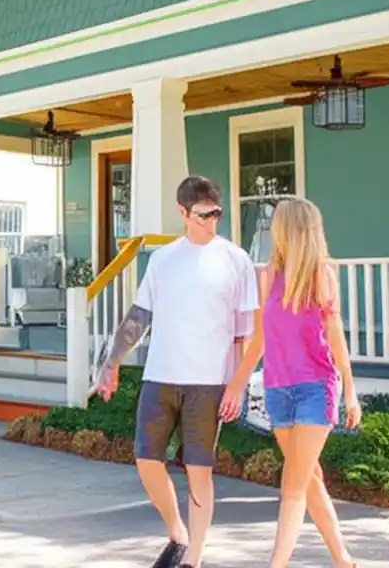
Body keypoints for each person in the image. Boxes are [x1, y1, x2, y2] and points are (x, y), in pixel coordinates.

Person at [96, 175, 258, 568]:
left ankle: (194, 560)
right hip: (161, 376)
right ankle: (177, 532)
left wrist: (239, 384)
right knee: (146, 460)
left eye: (216, 214)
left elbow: (248, 334)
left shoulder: (235, 260)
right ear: (183, 213)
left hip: (208, 383)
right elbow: (139, 317)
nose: (210, 222)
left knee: (199, 472)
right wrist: (111, 361)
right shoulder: (164, 259)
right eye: (202, 215)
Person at [220, 197, 361, 568]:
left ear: (290, 230)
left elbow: (335, 335)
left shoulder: (320, 275)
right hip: (277, 390)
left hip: (316, 388)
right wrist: (237, 382)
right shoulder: (267, 277)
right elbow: (261, 337)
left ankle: (276, 564)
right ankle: (344, 561)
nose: (272, 232)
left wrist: (350, 391)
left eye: (277, 225)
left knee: (293, 483)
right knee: (309, 478)